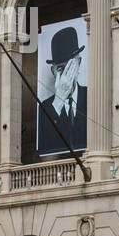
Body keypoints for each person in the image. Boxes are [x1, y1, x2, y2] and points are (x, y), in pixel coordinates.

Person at [37, 24, 88, 153]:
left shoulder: (93, 97)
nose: (66, 75)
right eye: (60, 69)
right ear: (53, 71)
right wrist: (58, 101)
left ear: (79, 62)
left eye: (70, 66)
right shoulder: (44, 109)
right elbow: (45, 147)